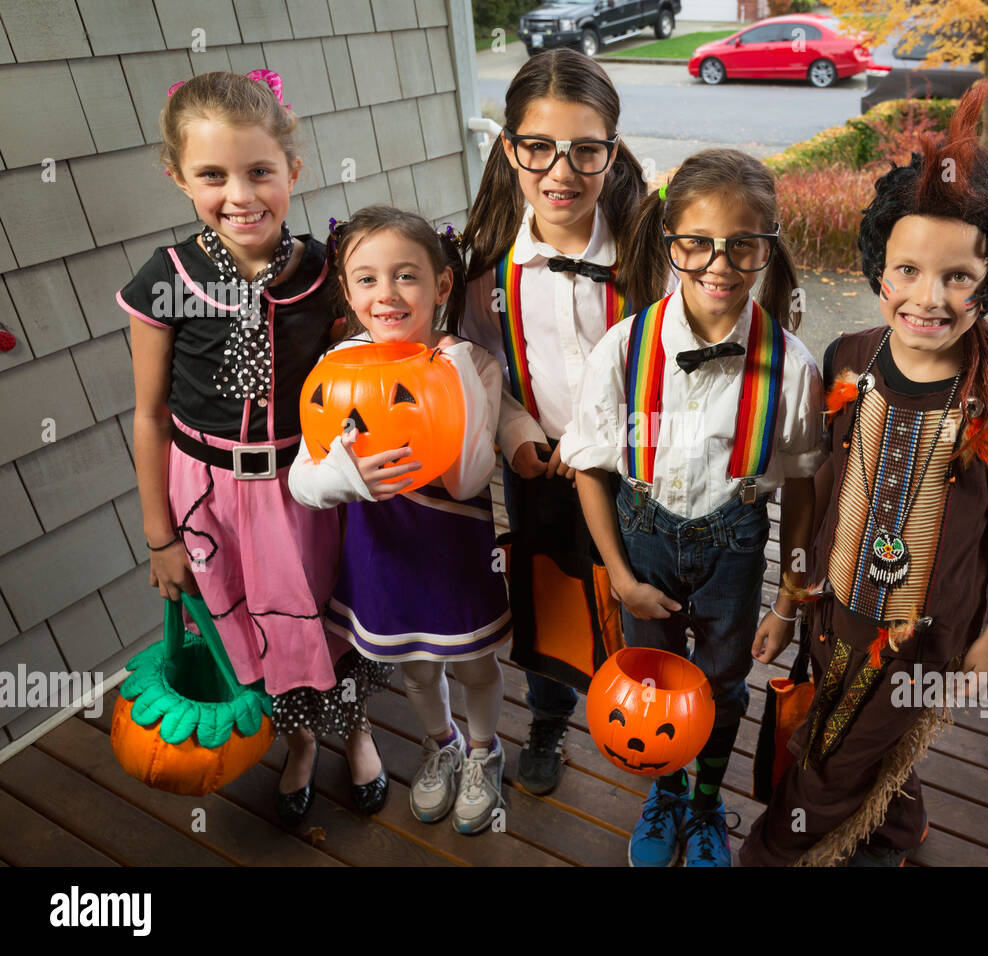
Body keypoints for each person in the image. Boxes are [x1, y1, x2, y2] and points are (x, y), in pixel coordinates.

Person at [738, 80, 988, 867]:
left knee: (833, 758)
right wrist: (796, 586)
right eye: (907, 270)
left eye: (957, 278)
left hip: (925, 632)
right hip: (834, 607)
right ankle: (896, 842)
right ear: (880, 267)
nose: (928, 298)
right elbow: (813, 482)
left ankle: (775, 855)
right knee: (852, 741)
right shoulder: (848, 358)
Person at [117, 70, 381, 827]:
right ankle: (298, 738)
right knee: (254, 629)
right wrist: (158, 535)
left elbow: (358, 373)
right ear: (179, 179)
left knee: (327, 614)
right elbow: (148, 415)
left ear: (292, 171)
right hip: (212, 498)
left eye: (260, 171)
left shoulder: (325, 272)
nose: (241, 194)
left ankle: (355, 730)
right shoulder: (167, 281)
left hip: (308, 487)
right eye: (212, 175)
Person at [561, 149, 826, 866]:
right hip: (640, 536)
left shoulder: (792, 365)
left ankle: (707, 802)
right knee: (648, 675)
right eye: (698, 243)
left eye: (743, 245)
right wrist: (616, 572)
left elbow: (802, 487)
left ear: (767, 246)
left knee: (723, 682)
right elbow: (588, 466)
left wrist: (788, 602)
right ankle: (667, 791)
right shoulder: (623, 349)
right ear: (669, 240)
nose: (720, 264)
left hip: (735, 546)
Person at [461, 48, 649, 796]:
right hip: (539, 468)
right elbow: (483, 369)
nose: (560, 172)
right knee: (550, 590)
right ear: (510, 149)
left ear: (612, 149)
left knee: (635, 590)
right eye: (538, 148)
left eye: (585, 150)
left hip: (635, 471)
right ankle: (548, 713)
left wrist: (612, 442)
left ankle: (648, 703)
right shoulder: (488, 272)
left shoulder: (648, 259)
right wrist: (515, 432)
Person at [288, 206, 510, 834]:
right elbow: (304, 480)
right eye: (366, 279)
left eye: (406, 276)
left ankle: (486, 749)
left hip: (453, 546)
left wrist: (460, 371)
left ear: (441, 285)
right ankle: (441, 743)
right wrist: (346, 476)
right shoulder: (337, 371)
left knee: (471, 663)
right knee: (414, 666)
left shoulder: (473, 365)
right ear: (347, 289)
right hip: (381, 550)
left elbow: (468, 479)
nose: (385, 294)